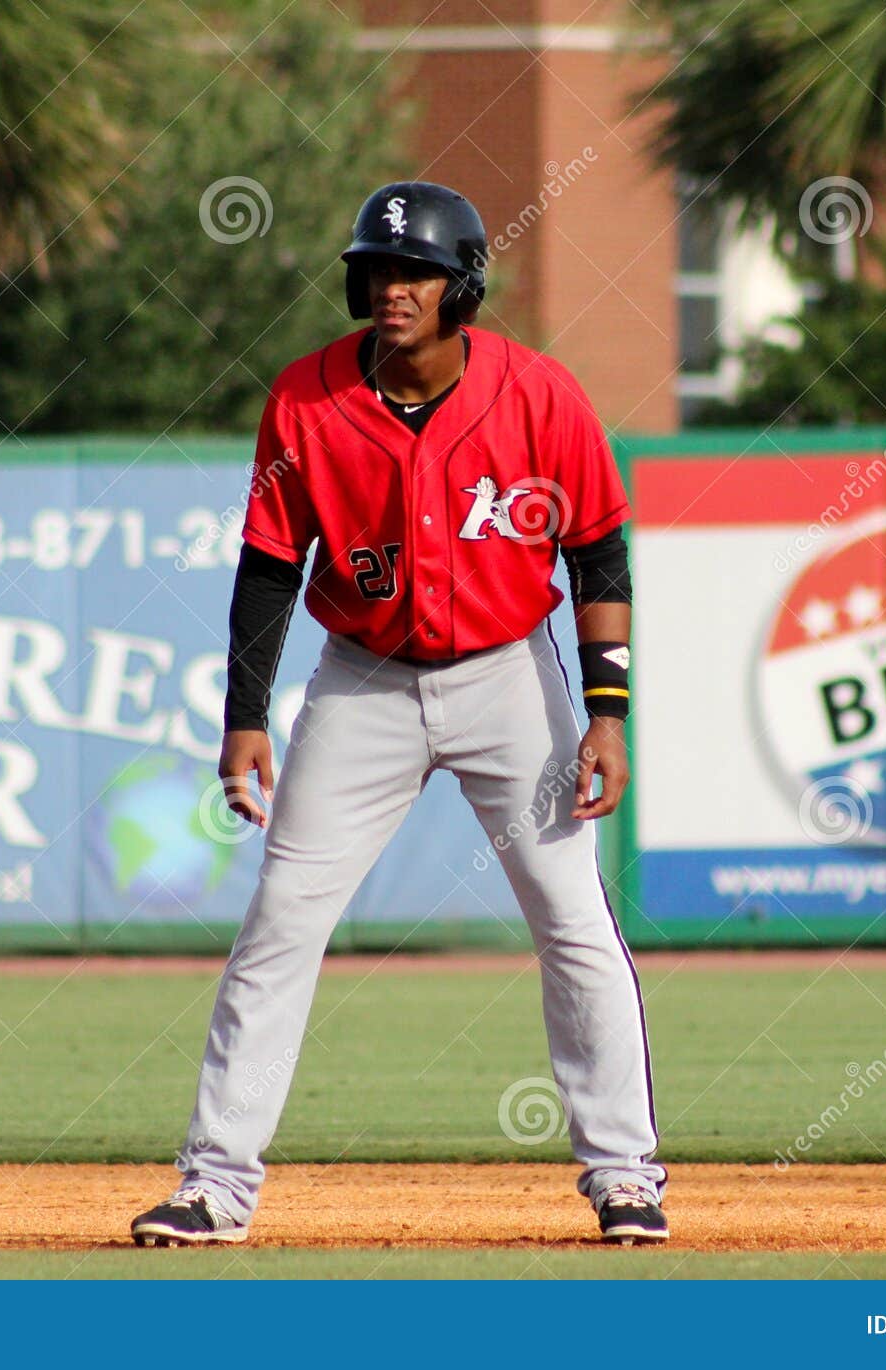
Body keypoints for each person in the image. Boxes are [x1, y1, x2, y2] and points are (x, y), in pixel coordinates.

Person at [131, 183, 667, 1246]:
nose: (392, 289)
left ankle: (625, 1176)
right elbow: (270, 563)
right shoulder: (306, 398)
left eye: (415, 271)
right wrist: (246, 713)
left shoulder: (539, 395)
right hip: (361, 678)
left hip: (509, 674)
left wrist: (606, 713)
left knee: (572, 917)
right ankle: (214, 1182)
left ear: (463, 283)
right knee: (280, 920)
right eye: (377, 270)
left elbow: (597, 549)